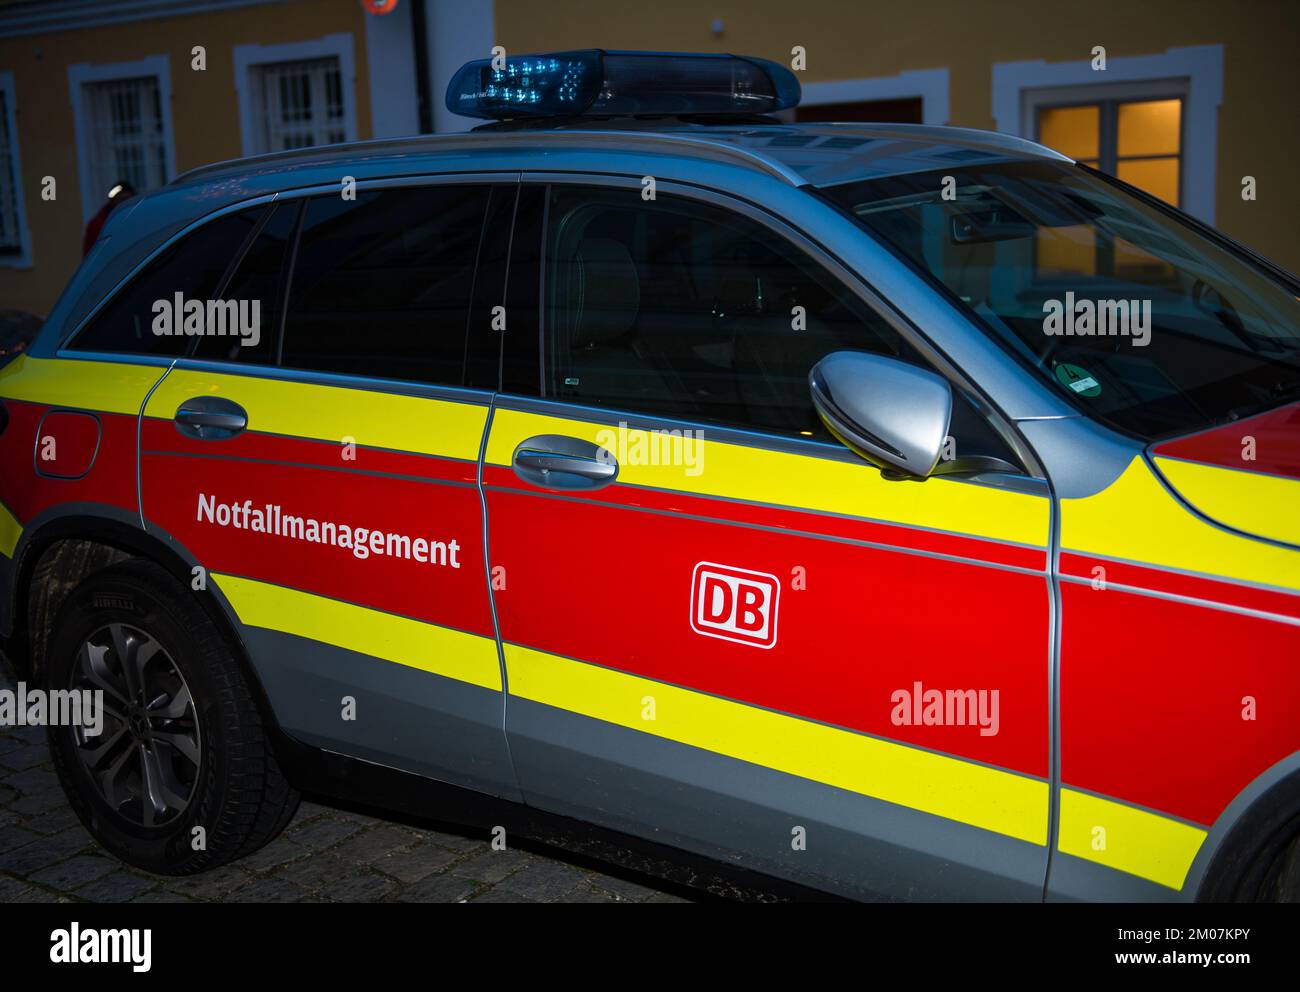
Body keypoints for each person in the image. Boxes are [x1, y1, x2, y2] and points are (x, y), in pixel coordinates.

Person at [82, 181, 135, 256]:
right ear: (113, 202)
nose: (125, 203)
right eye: (122, 199)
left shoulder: (137, 220)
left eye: (128, 199)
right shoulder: (99, 224)